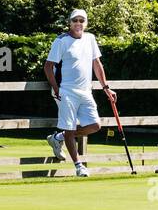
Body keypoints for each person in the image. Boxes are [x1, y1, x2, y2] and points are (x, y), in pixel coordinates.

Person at [44, 9, 117, 178]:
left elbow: (97, 64)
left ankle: (58, 138)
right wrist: (56, 89)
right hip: (65, 91)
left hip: (85, 91)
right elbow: (48, 66)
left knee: (95, 125)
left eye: (81, 20)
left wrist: (106, 87)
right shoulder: (61, 41)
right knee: (70, 128)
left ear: (86, 23)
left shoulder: (90, 39)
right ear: (69, 23)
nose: (78, 23)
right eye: (75, 20)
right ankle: (79, 166)